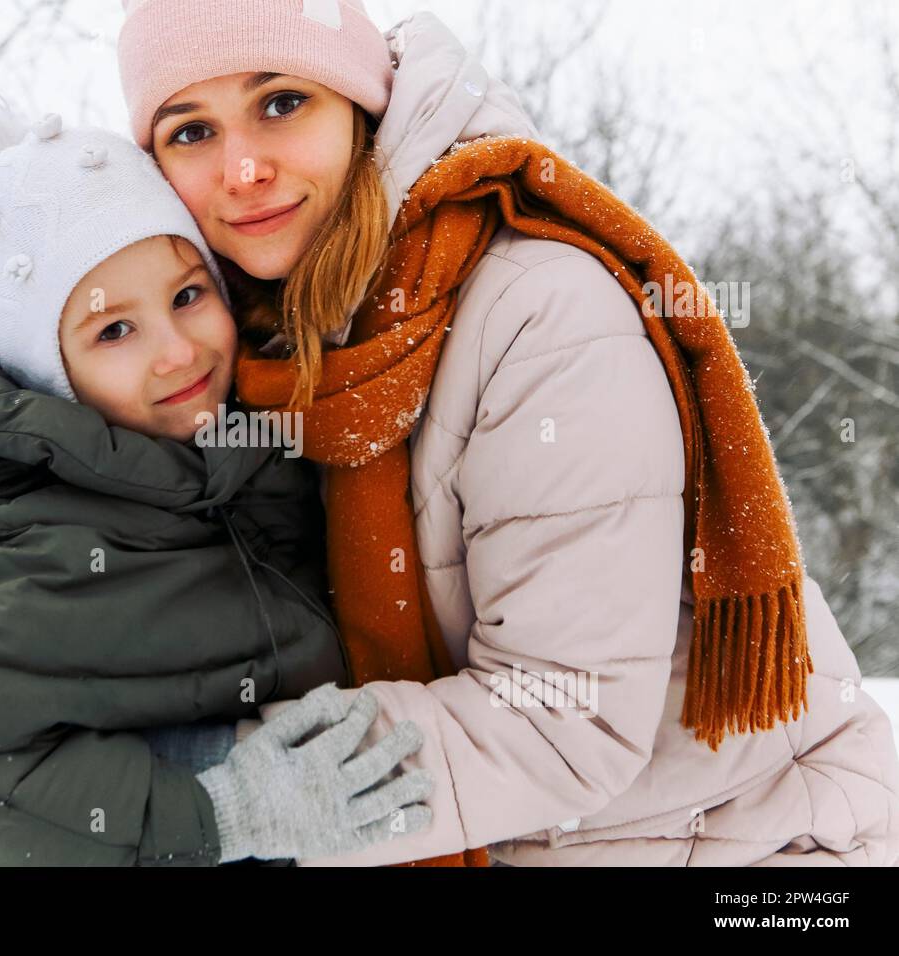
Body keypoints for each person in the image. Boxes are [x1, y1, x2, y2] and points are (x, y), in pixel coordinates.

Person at [114, 0, 899, 866]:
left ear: (362, 107)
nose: (244, 167)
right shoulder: (237, 342)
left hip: (755, 848)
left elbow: (566, 717)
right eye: (189, 130)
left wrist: (205, 780)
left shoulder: (536, 312)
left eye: (281, 102)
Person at [0, 102, 434, 866]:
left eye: (187, 296)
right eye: (113, 330)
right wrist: (215, 811)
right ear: (47, 369)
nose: (178, 352)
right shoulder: (7, 565)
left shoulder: (262, 462)